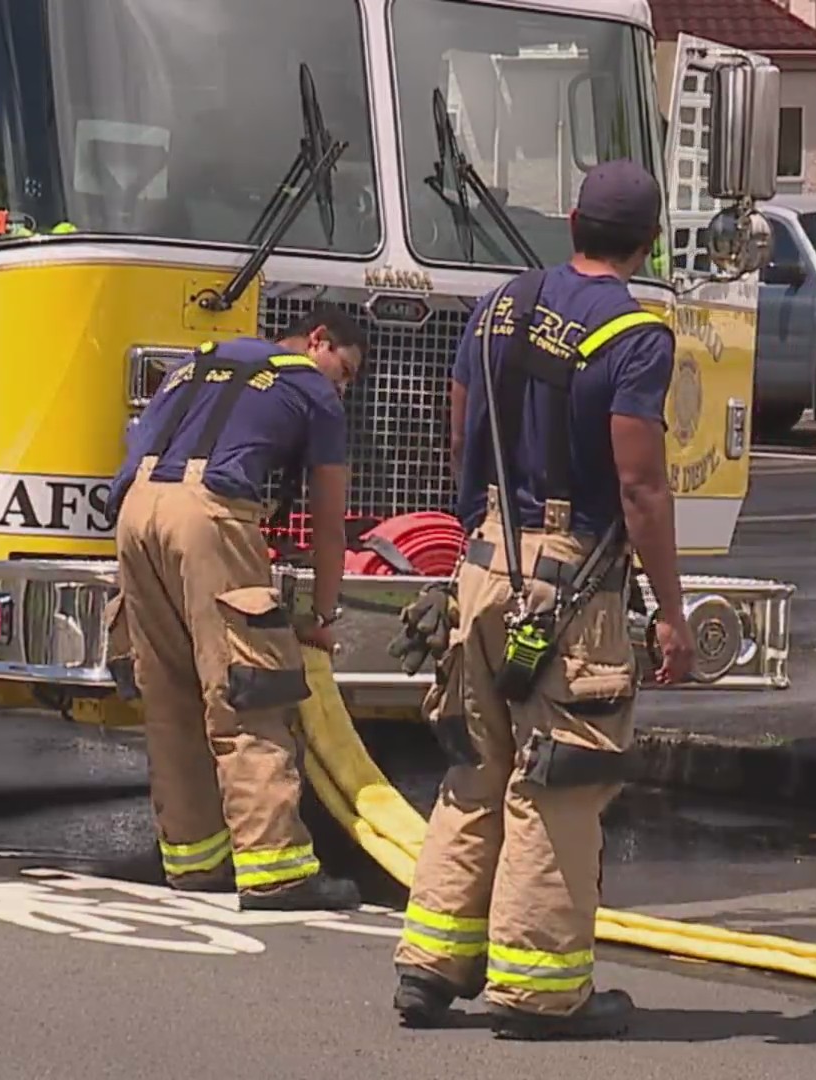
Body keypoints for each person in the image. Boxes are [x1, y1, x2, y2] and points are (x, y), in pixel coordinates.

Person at [390, 159, 695, 1041]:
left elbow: (461, 435)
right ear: (649, 241)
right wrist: (670, 611)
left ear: (571, 221)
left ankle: (429, 966)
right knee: (559, 782)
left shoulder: (498, 306)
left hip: (486, 557)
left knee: (475, 769)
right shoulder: (636, 335)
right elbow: (641, 488)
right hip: (570, 580)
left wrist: (471, 546)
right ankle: (538, 991)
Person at [102, 306, 368, 911]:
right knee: (247, 692)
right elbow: (330, 525)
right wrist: (322, 618)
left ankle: (194, 861)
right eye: (345, 372)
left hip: (136, 513)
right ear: (318, 341)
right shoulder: (311, 388)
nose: (342, 389)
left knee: (170, 695)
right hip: (208, 516)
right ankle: (277, 870)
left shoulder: (196, 362)